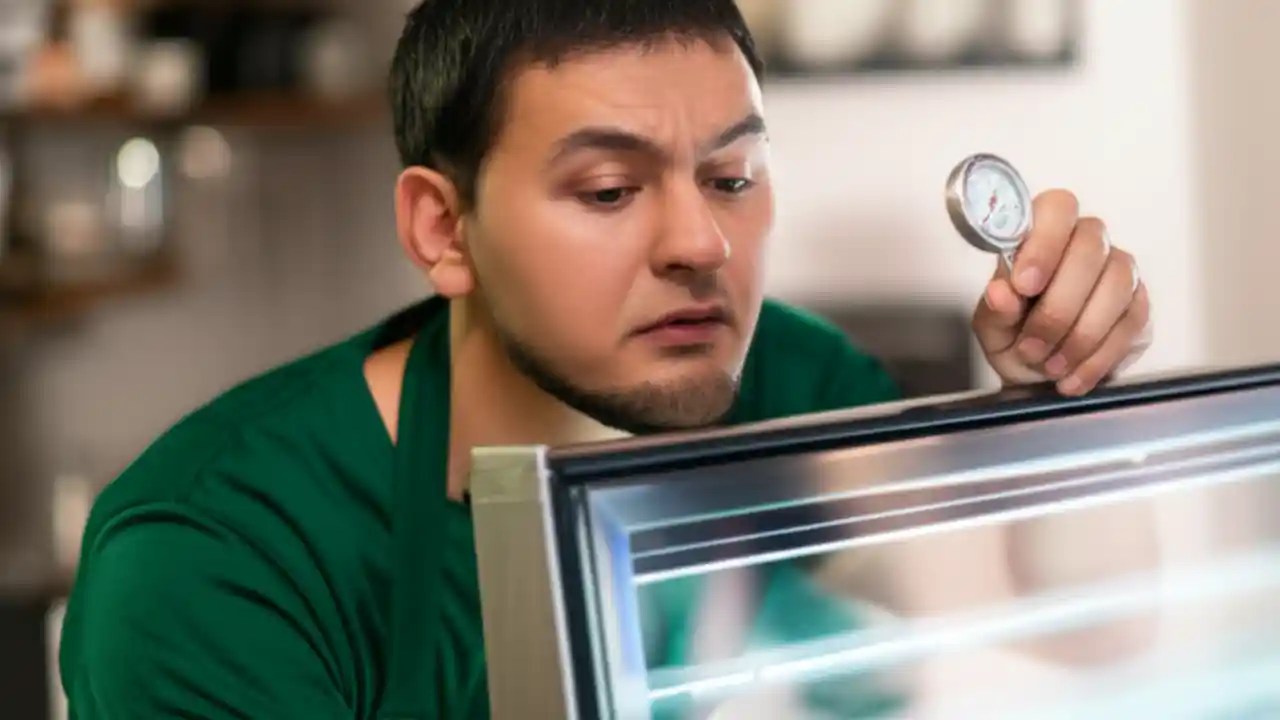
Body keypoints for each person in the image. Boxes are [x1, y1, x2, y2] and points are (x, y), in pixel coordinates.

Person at [58, 1, 1153, 718]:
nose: (698, 244)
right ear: (443, 231)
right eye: (609, 191)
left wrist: (1065, 400)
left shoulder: (788, 384)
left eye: (730, 178)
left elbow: (1088, 631)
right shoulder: (219, 559)